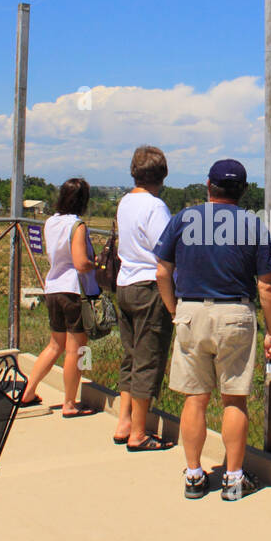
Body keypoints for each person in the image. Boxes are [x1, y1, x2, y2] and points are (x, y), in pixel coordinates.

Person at [154, 159, 271, 502]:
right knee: (234, 399)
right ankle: (234, 479)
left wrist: (173, 309)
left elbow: (162, 272)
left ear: (208, 185)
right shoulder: (254, 225)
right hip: (236, 313)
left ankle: (195, 476)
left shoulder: (184, 219)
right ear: (242, 190)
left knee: (195, 399)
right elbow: (268, 287)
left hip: (190, 311)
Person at [18, 178, 100, 417]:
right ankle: (70, 403)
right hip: (74, 290)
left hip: (52, 287)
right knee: (77, 349)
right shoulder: (78, 225)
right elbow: (80, 262)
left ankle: (29, 390)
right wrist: (97, 264)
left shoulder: (50, 222)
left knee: (55, 345)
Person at [112, 146, 175, 451]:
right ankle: (138, 433)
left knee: (132, 355)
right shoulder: (155, 207)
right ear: (161, 175)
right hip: (149, 288)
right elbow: (166, 250)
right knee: (149, 359)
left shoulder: (125, 202)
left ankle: (124, 421)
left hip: (124, 284)